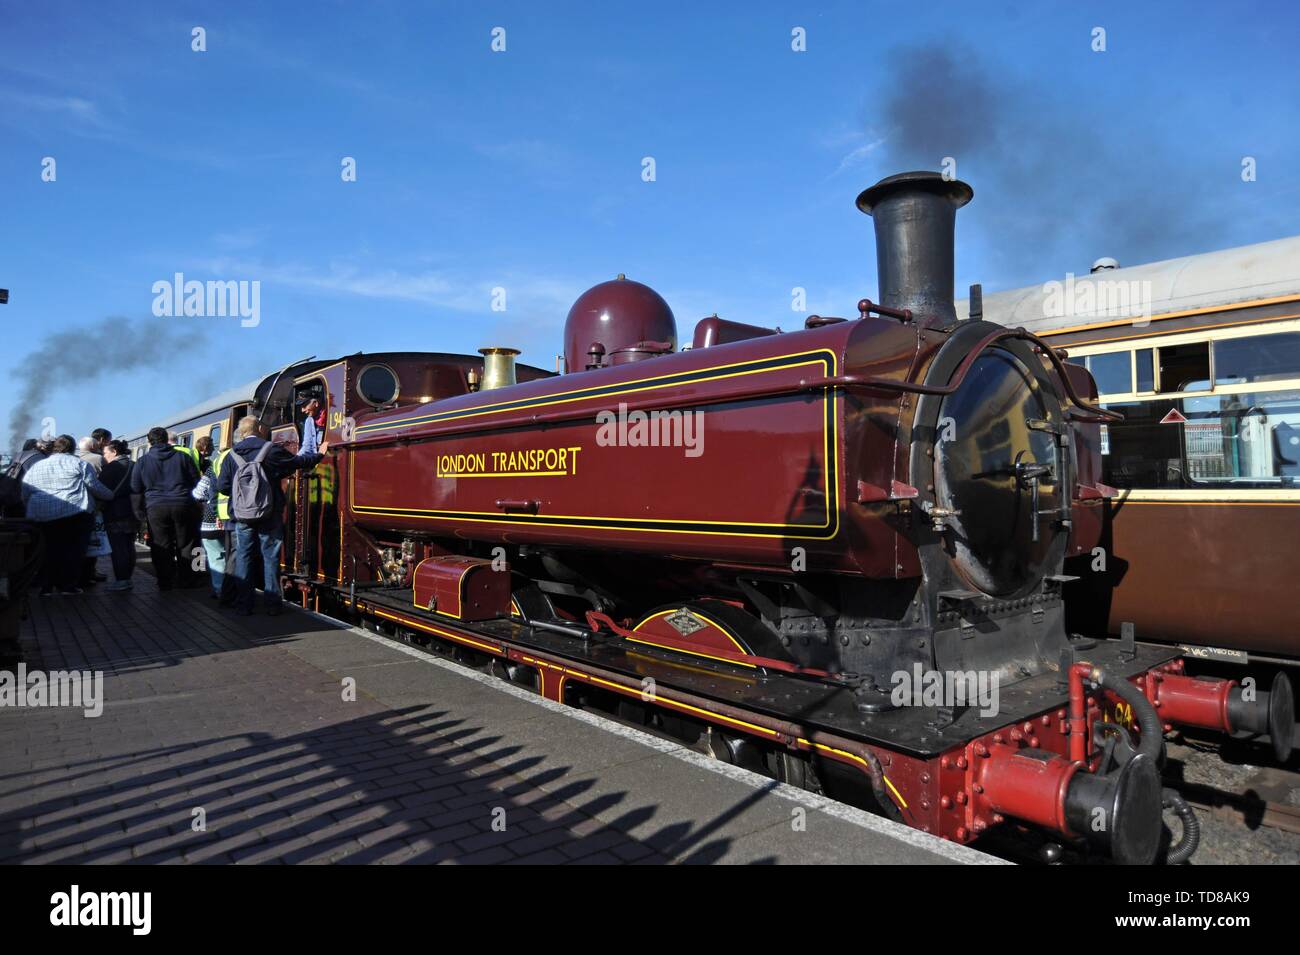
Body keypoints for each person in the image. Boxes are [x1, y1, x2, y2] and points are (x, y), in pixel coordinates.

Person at [216, 415, 326, 615]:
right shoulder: (270, 449)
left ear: (242, 432)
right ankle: (273, 605)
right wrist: (319, 455)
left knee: (244, 556)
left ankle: (244, 605)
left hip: (241, 515)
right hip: (270, 512)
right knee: (271, 557)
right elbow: (297, 462)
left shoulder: (231, 455)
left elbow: (222, 487)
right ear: (258, 428)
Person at [20, 434, 113, 595]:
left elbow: (25, 491)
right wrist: (110, 495)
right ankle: (67, 586)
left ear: (55, 448)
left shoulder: (38, 466)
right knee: (73, 551)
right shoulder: (79, 464)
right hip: (74, 513)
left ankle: (46, 587)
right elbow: (95, 487)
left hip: (43, 515)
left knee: (47, 551)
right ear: (72, 448)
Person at [130, 427, 200, 591]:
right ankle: (187, 579)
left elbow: (135, 488)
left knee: (160, 544)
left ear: (150, 441)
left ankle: (165, 581)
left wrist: (138, 512)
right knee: (187, 543)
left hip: (155, 507)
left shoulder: (142, 462)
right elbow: (196, 481)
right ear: (166, 439)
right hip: (182, 504)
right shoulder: (183, 457)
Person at [99, 440, 138, 592]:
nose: (104, 456)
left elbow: (101, 490)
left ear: (114, 451)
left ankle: (121, 579)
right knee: (129, 545)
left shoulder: (110, 468)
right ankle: (128, 578)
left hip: (115, 512)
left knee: (118, 547)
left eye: (105, 452)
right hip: (133, 511)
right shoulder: (135, 465)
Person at [192, 450, 227, 600]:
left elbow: (198, 493)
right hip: (237, 519)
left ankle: (220, 590)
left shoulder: (213, 467)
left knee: (215, 557)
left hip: (211, 520)